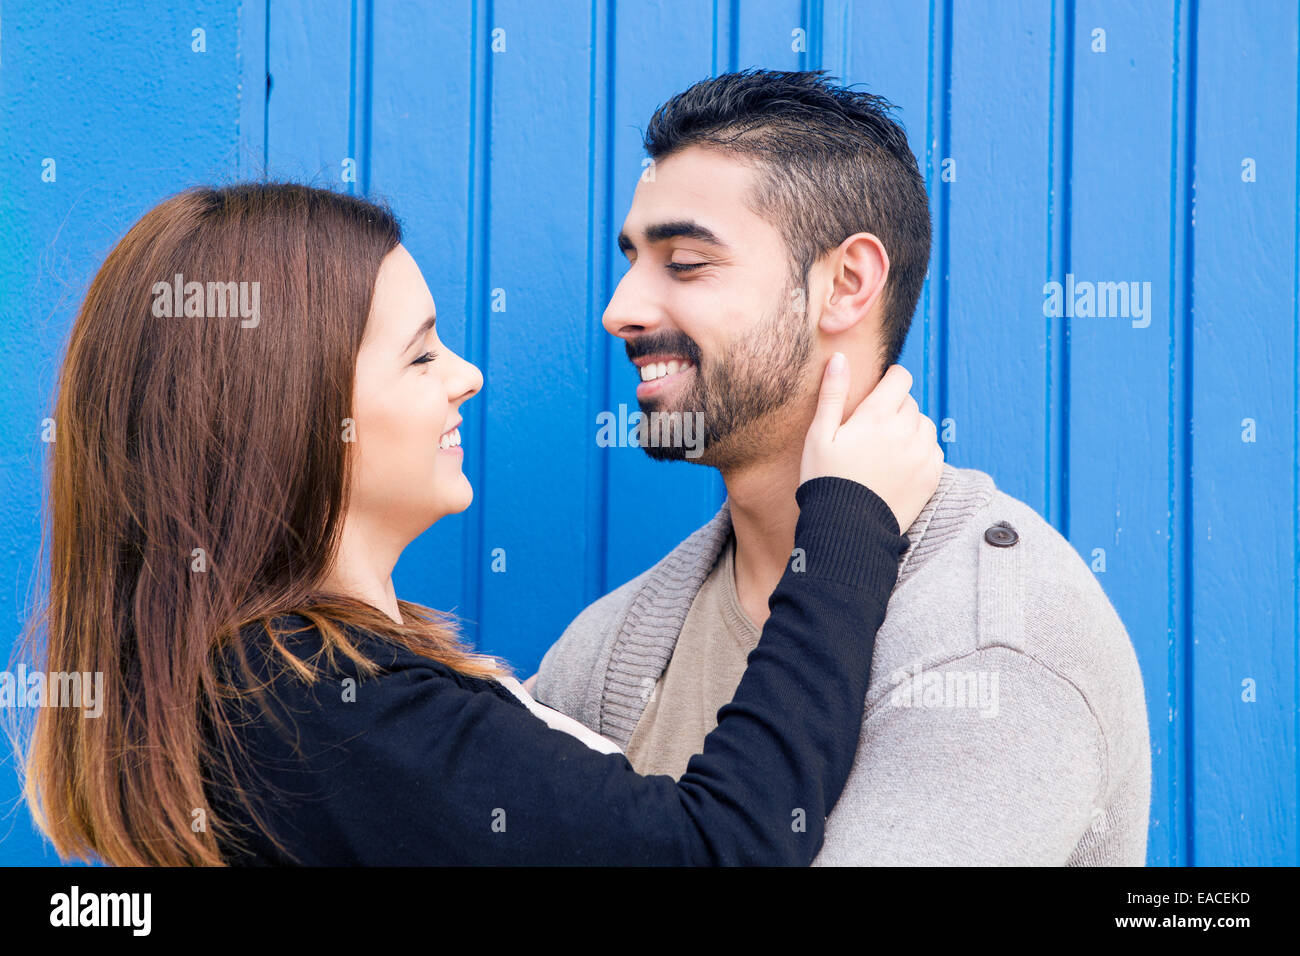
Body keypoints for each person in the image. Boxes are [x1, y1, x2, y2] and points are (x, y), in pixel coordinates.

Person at [17, 181, 943, 866]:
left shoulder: (296, 691)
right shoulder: (321, 709)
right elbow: (722, 851)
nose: (466, 375)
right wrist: (850, 526)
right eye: (420, 355)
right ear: (288, 418)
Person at [531, 69, 1152, 865]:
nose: (621, 308)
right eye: (633, 260)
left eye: (684, 262)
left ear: (846, 284)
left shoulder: (995, 646)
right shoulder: (608, 648)